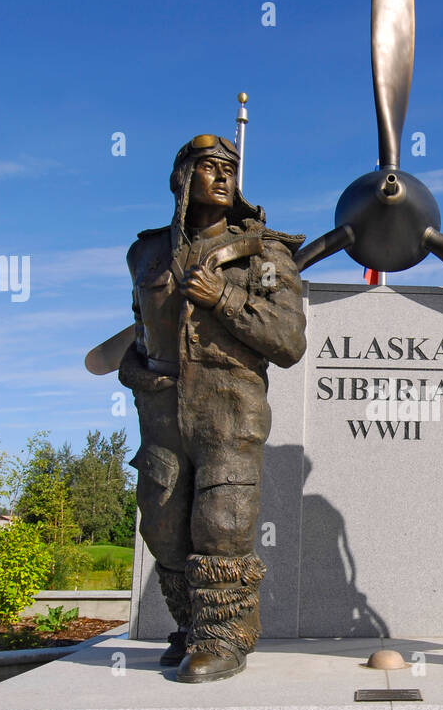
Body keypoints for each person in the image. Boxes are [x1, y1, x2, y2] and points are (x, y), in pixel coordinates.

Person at [118, 134, 306, 682]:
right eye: (209, 167)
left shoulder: (265, 254)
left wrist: (222, 297)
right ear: (182, 178)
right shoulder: (146, 254)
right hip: (161, 414)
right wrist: (134, 372)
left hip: (230, 413)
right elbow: (138, 331)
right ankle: (189, 626)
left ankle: (223, 639)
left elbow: (288, 339)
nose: (223, 177)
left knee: (222, 527)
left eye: (230, 168)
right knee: (162, 525)